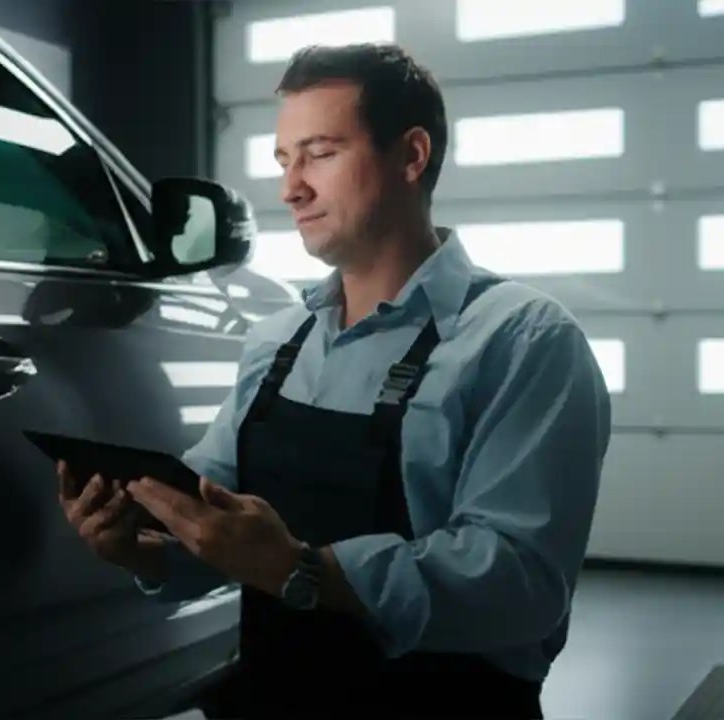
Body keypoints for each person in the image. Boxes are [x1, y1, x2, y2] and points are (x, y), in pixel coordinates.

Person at [57, 42, 611, 719]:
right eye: (285, 161)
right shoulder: (275, 341)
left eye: (320, 153)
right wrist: (145, 550)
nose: (291, 188)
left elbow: (519, 584)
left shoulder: (521, 340)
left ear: (412, 155)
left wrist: (302, 569)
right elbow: (220, 527)